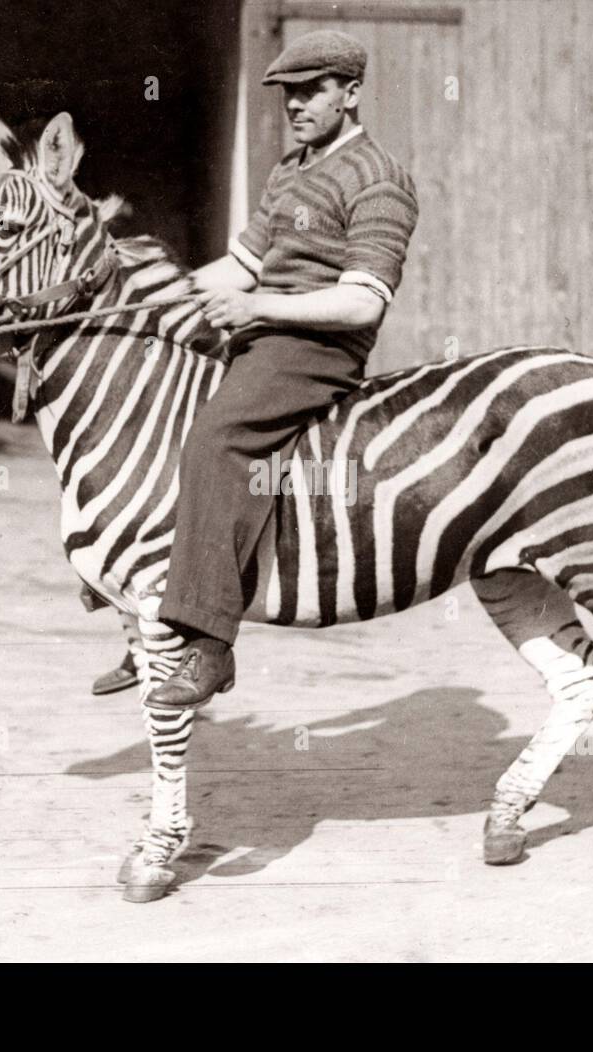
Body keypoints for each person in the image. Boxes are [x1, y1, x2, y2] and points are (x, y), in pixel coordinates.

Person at [142, 29, 419, 711]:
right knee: (153, 387)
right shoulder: (290, 169)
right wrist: (152, 299)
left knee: (216, 441)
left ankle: (209, 645)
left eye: (311, 91)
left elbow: (361, 301)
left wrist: (257, 307)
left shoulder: (380, 178)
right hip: (264, 324)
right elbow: (241, 264)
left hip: (315, 349)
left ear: (351, 93)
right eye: (288, 94)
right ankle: (128, 606)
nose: (295, 105)